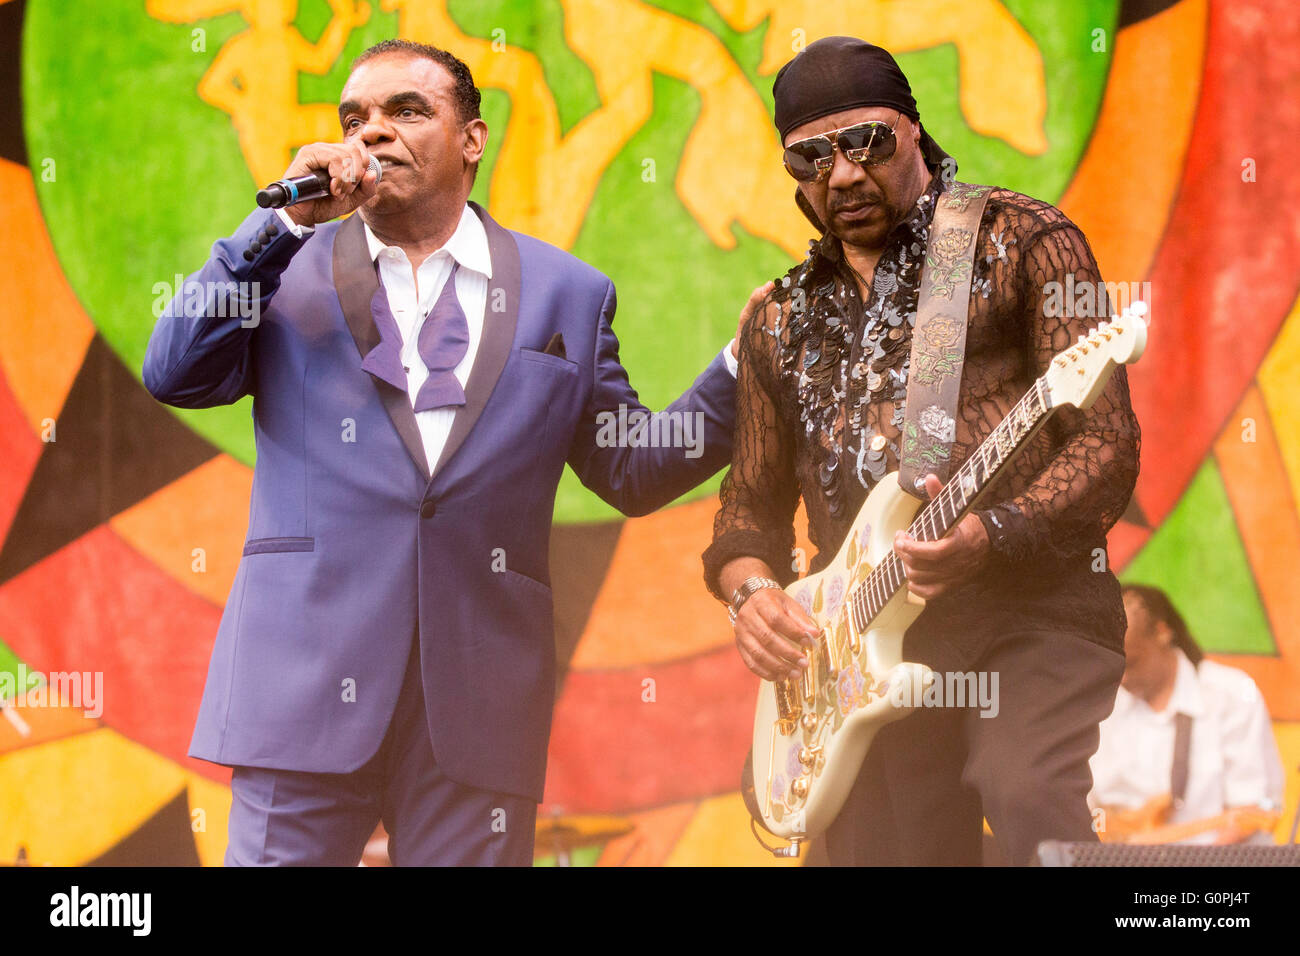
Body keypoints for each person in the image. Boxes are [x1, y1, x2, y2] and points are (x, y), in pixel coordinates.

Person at [144, 39, 747, 866]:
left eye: (407, 110)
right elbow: (174, 372)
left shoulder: (566, 292)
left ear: (473, 138)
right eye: (356, 117)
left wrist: (744, 366)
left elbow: (633, 468)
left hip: (476, 704)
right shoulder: (285, 270)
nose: (374, 132)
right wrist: (279, 223)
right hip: (303, 683)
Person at [702, 37, 1142, 865]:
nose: (841, 176)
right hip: (860, 649)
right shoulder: (775, 318)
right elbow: (746, 514)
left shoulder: (1022, 240)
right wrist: (752, 594)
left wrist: (992, 532)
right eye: (810, 156)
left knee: (1025, 790)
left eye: (867, 142)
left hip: (1031, 611)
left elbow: (1106, 447)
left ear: (912, 129)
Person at [1089, 585, 1286, 844]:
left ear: (1162, 632)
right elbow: (1090, 807)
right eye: (1115, 667)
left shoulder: (1233, 695)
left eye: (1132, 663)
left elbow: (1253, 807)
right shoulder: (1102, 705)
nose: (1122, 678)